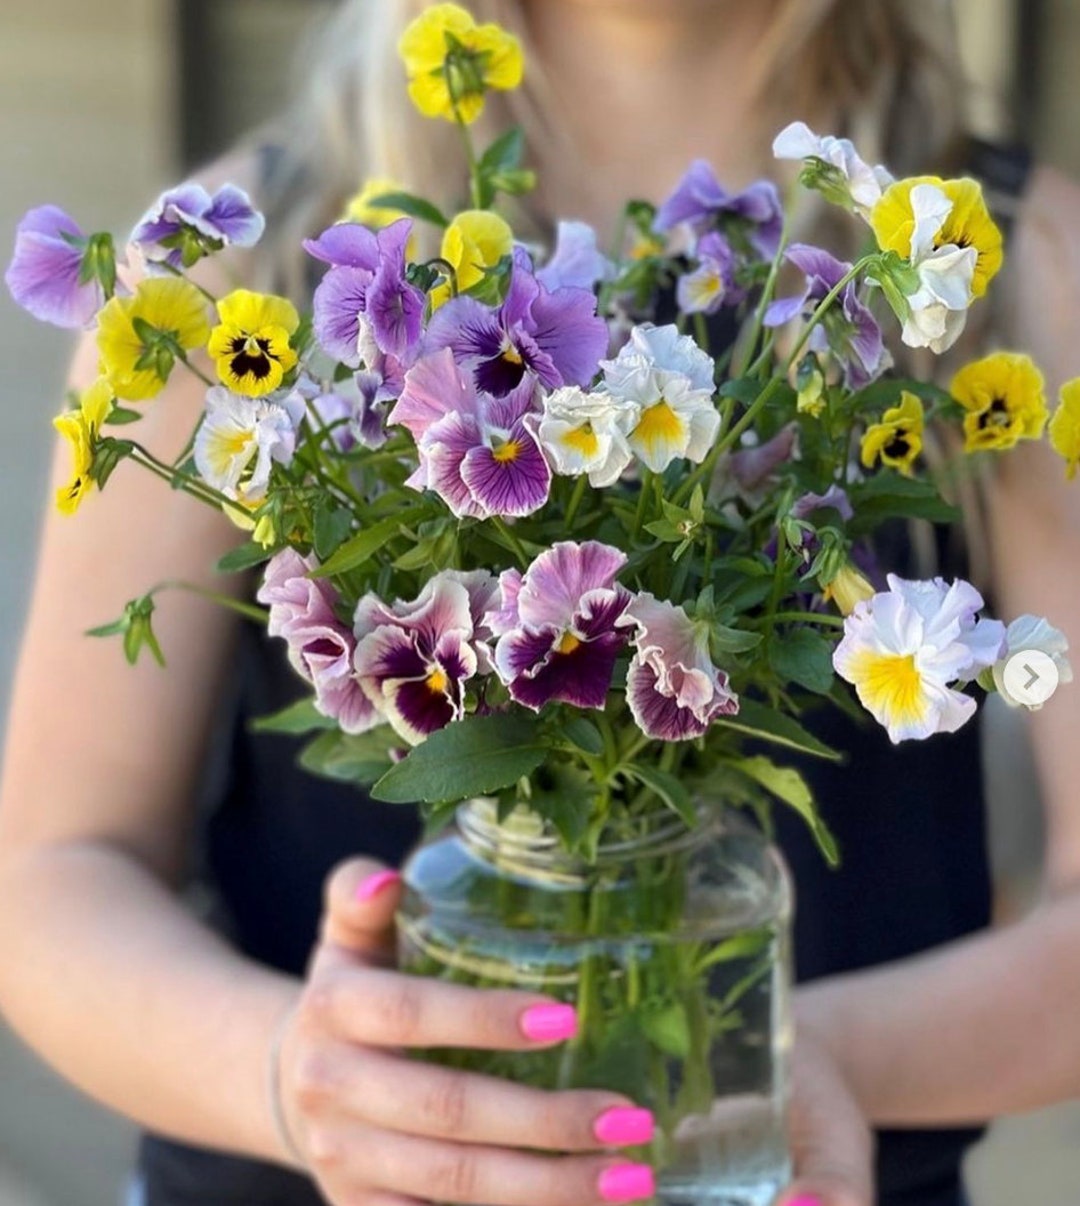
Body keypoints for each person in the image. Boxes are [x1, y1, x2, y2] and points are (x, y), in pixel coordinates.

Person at [1, 2, 1079, 1205]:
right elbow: (50, 873)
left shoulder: (1000, 273)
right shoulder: (219, 276)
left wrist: (795, 1063)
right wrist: (290, 1078)